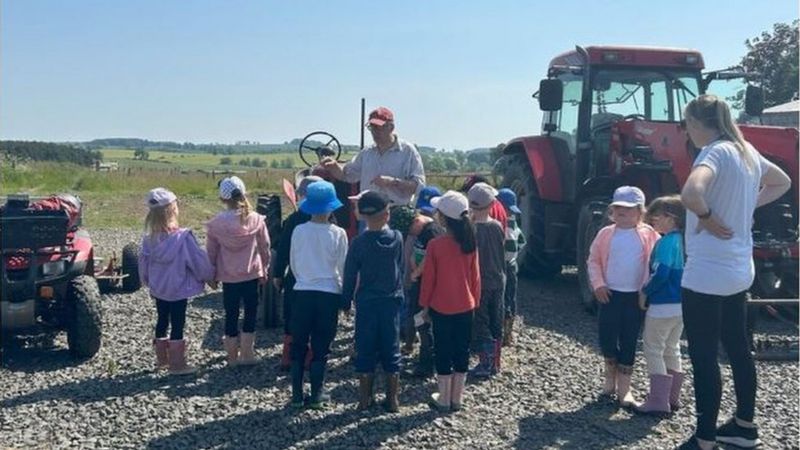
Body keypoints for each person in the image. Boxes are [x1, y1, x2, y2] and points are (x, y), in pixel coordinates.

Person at [677, 95, 791, 450]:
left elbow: (690, 193)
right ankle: (744, 425)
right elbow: (782, 181)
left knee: (704, 354)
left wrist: (708, 218)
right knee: (738, 348)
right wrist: (745, 204)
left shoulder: (713, 152)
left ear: (697, 123)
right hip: (740, 269)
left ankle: (705, 437)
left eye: (687, 125)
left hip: (707, 272)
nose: (687, 132)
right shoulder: (746, 151)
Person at [586, 185, 660, 407]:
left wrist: (648, 291)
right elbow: (594, 261)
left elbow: (656, 262)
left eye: (627, 209)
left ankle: (624, 389)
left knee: (629, 340)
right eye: (617, 208)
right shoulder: (606, 234)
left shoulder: (649, 235)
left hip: (635, 297)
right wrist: (598, 285)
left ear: (640, 211)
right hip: (610, 295)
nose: (621, 213)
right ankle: (610, 377)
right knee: (607, 337)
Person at [138, 188, 214, 375]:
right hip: (178, 289)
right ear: (173, 210)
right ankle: (177, 364)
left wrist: (146, 280)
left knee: (162, 319)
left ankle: (162, 360)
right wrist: (209, 276)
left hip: (159, 289)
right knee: (178, 322)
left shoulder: (149, 240)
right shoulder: (182, 238)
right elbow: (197, 260)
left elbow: (143, 264)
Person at [342, 191, 405, 412]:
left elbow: (350, 274)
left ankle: (364, 399)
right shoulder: (397, 237)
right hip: (391, 301)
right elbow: (400, 267)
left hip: (367, 302)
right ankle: (393, 399)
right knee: (391, 347)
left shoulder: (358, 243)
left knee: (365, 346)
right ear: (387, 214)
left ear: (362, 215)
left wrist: (345, 301)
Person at [288, 180, 349, 409]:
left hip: (302, 291)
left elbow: (294, 263)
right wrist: (344, 295)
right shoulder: (339, 233)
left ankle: (296, 394)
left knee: (299, 342)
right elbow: (343, 266)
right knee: (322, 345)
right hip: (328, 294)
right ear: (332, 207)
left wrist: (304, 278)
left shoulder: (298, 231)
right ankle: (317, 393)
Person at [419, 190, 480, 412]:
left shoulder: (436, 245)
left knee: (443, 350)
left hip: (440, 306)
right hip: (466, 304)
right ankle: (457, 398)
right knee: (462, 350)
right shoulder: (470, 243)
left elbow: (429, 280)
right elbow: (476, 277)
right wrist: (476, 300)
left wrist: (424, 305)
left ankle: (443, 398)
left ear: (442, 218)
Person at [206, 176, 271, 367]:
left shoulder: (217, 224)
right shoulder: (256, 219)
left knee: (231, 313)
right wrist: (265, 268)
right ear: (244, 193)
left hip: (228, 277)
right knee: (250, 312)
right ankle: (248, 354)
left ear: (223, 199)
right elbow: (265, 246)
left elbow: (211, 252)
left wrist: (211, 274)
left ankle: (232, 356)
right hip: (251, 274)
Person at [634, 195, 686, 416]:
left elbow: (661, 273)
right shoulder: (684, 241)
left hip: (663, 304)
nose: (651, 220)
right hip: (681, 305)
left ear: (670, 218)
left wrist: (645, 291)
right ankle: (672, 397)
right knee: (672, 348)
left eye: (656, 216)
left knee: (653, 348)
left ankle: (657, 400)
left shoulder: (665, 243)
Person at [320, 106, 425, 206]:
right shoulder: (366, 153)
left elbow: (419, 187)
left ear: (391, 127)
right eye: (372, 127)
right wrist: (334, 167)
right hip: (368, 212)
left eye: (380, 127)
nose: (375, 132)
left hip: (395, 213)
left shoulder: (407, 151)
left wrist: (393, 182)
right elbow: (347, 176)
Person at [272, 175, 323, 371]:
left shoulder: (293, 220)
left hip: (295, 276)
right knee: (314, 317)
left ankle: (289, 356)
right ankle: (310, 356)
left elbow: (283, 249)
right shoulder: (329, 220)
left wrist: (277, 274)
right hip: (319, 277)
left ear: (301, 195)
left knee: (292, 316)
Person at [404, 186, 444, 378]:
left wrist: (416, 272)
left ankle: (427, 363)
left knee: (425, 324)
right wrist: (413, 266)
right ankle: (425, 357)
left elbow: (431, 258)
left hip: (427, 287)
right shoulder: (420, 232)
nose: (410, 233)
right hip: (419, 283)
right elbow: (416, 253)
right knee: (419, 321)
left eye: (410, 229)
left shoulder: (433, 232)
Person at [467, 182, 506, 377]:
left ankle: (485, 361)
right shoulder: (497, 226)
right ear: (492, 204)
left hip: (478, 282)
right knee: (495, 319)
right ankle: (496, 361)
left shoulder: (470, 230)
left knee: (480, 321)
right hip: (498, 279)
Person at [496, 188, 526, 346]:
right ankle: (505, 332)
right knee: (506, 297)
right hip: (509, 265)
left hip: (506, 265)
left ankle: (506, 332)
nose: (509, 213)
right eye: (507, 209)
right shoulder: (511, 223)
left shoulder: (507, 223)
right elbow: (521, 243)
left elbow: (518, 243)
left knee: (507, 297)